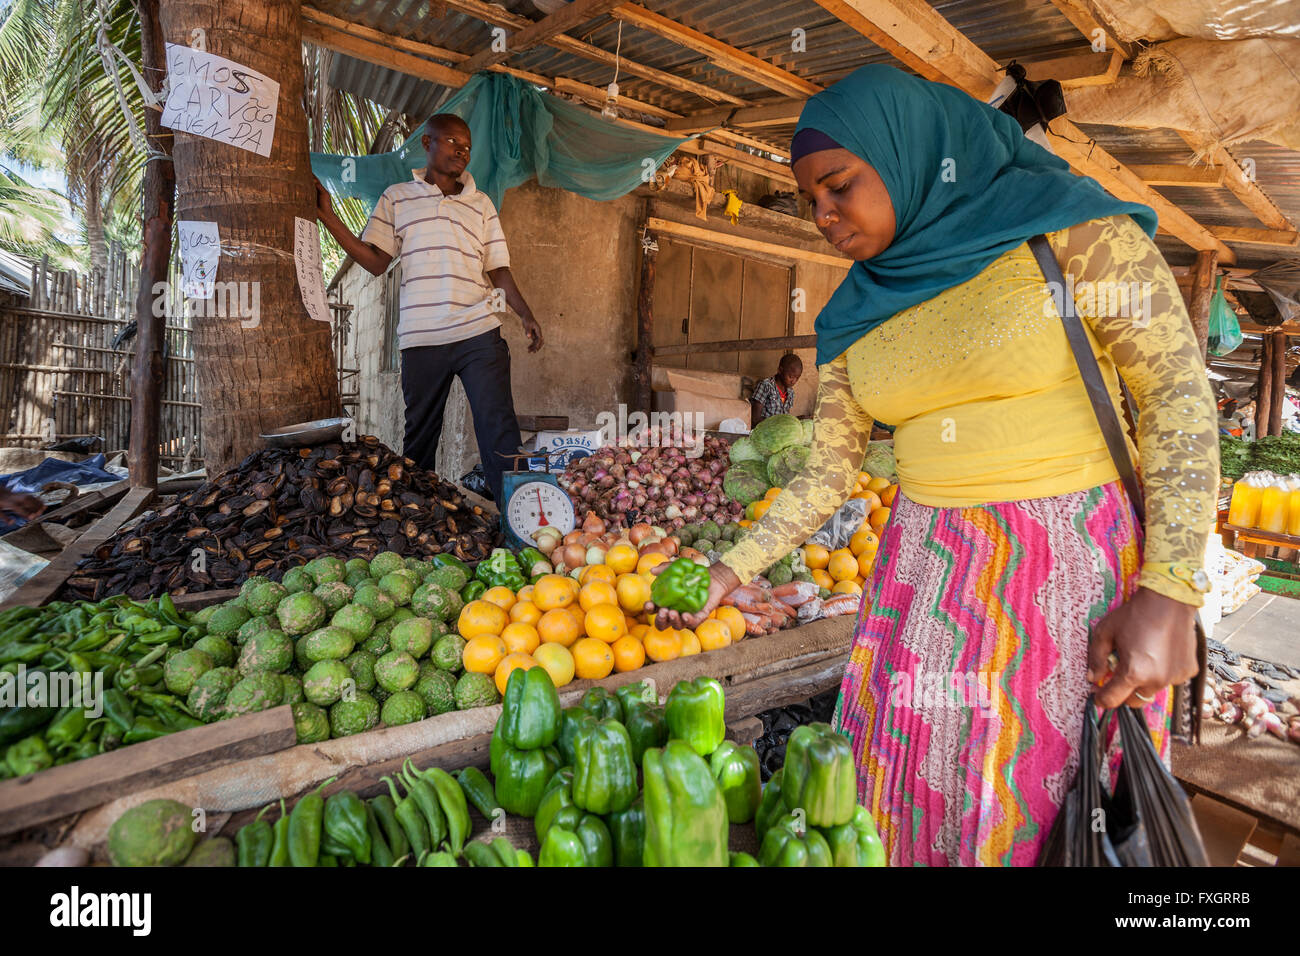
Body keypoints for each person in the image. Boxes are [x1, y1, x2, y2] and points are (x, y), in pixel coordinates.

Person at [655, 65, 1216, 866]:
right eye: (811, 199)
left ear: (909, 152)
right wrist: (728, 567)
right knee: (909, 795)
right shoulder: (857, 305)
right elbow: (828, 469)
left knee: (1040, 802)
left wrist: (1169, 593)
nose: (823, 214)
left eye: (840, 186)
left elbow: (1178, 403)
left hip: (1062, 576)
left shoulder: (1066, 232)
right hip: (920, 578)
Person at [316, 113, 544, 504]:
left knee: (499, 428)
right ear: (427, 143)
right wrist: (327, 216)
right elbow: (374, 261)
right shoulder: (397, 197)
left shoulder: (481, 204)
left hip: (478, 331)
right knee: (420, 436)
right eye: (453, 142)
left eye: (467, 146)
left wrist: (525, 313)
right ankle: (416, 517)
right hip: (422, 338)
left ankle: (516, 519)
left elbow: (498, 270)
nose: (462, 151)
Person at [750, 353, 802, 426]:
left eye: (797, 378)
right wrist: (779, 423)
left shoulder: (790, 393)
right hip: (763, 431)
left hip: (779, 433)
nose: (793, 381)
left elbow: (785, 419)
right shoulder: (766, 386)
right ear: (780, 370)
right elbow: (755, 419)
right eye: (790, 376)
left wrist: (798, 419)